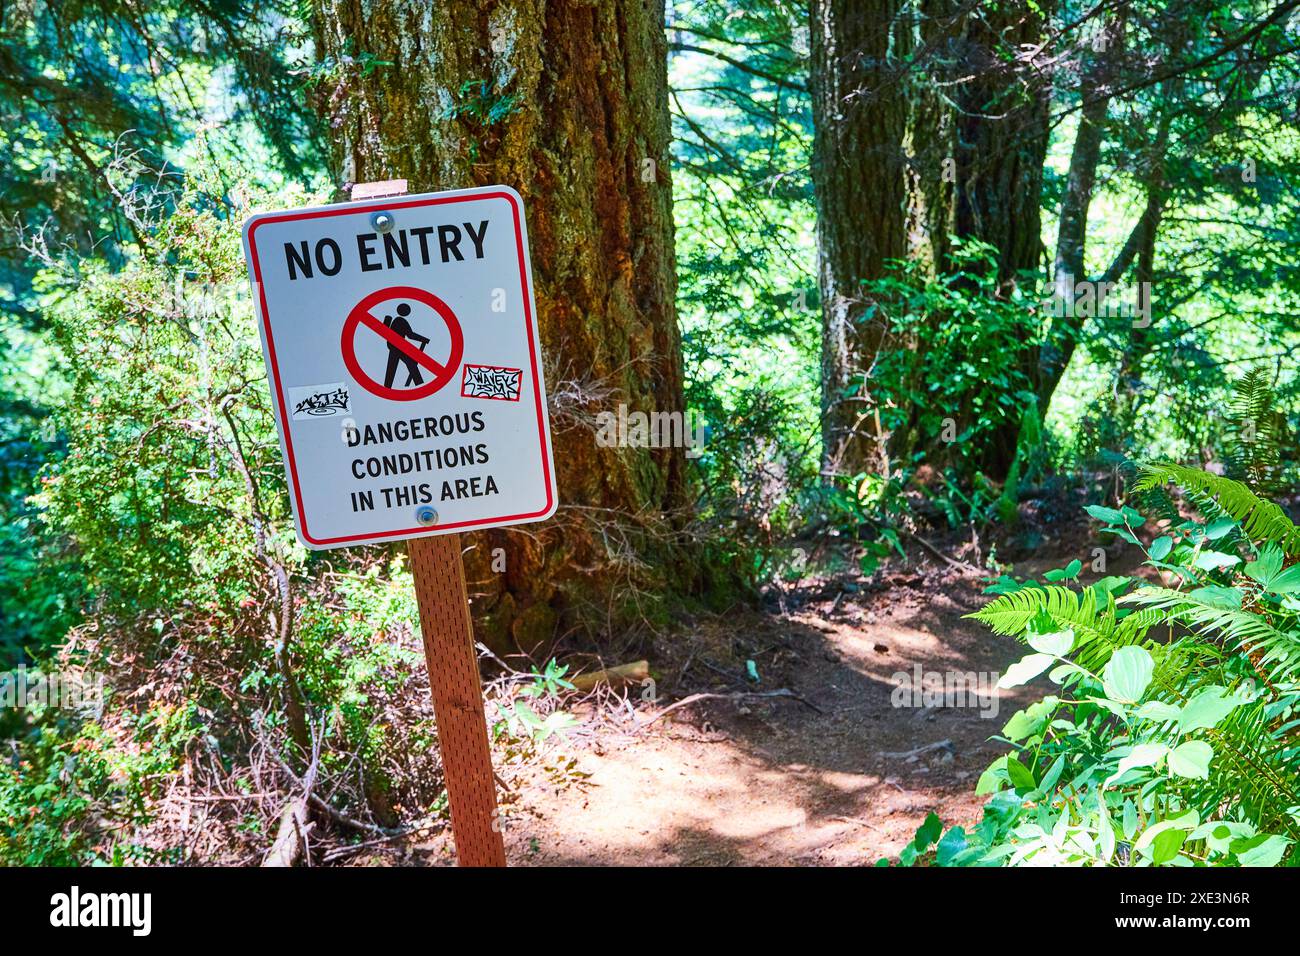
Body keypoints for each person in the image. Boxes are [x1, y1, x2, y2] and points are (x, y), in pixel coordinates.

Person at [382, 303, 430, 388]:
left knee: (393, 367)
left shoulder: (397, 320)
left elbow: (409, 335)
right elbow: (410, 335)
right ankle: (419, 384)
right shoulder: (401, 321)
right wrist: (424, 339)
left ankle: (387, 388)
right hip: (399, 346)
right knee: (409, 363)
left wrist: (423, 339)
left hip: (394, 346)